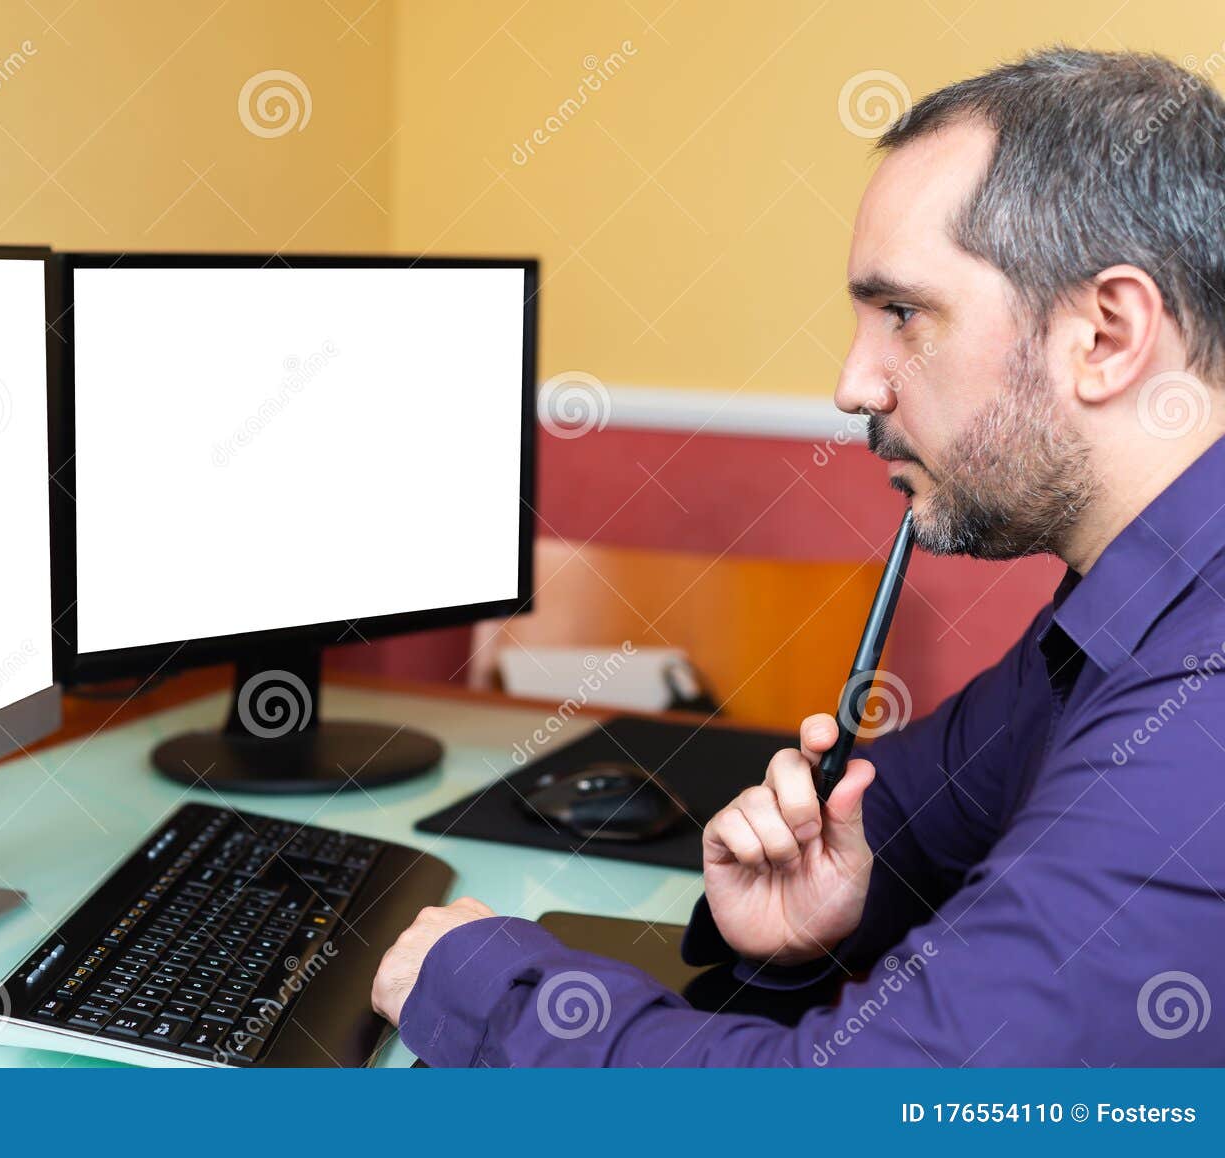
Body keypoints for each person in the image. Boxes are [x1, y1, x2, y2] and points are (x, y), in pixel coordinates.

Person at [369, 47, 1225, 1066]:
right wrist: (830, 905)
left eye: (902, 314)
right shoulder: (1133, 598)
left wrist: (484, 985)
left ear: (1104, 334)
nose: (853, 384)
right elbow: (910, 809)